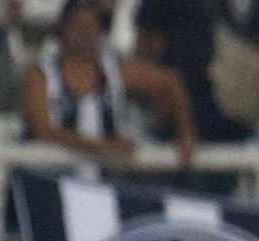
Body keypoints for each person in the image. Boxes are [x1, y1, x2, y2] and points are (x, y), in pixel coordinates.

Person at [21, 0, 196, 169]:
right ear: (62, 27)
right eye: (78, 25)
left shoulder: (115, 71)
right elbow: (42, 129)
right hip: (52, 180)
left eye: (91, 26)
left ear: (101, 31)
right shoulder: (41, 75)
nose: (85, 32)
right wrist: (102, 146)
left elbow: (170, 82)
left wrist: (186, 134)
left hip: (107, 183)